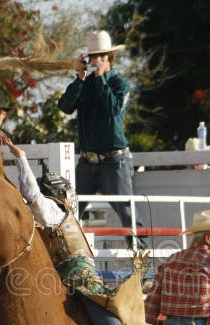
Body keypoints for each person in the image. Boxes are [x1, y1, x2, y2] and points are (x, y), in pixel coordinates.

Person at [6, 137, 125, 325]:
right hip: (81, 281)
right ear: (60, 193)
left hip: (77, 280)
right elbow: (34, 196)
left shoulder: (58, 214)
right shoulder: (54, 210)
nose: (71, 197)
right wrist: (21, 159)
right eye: (67, 192)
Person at [57, 31, 144, 246]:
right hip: (87, 161)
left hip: (115, 161)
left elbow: (113, 109)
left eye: (101, 56)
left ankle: (141, 265)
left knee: (128, 213)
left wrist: (100, 79)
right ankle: (66, 257)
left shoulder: (120, 85)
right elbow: (64, 106)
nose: (97, 61)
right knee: (68, 211)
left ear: (109, 58)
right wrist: (79, 79)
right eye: (93, 56)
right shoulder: (83, 84)